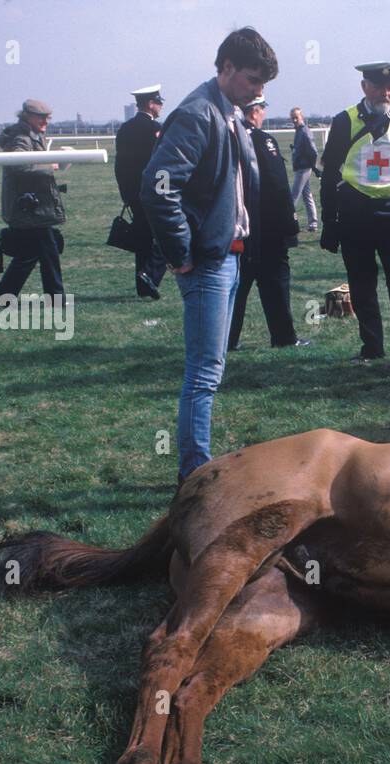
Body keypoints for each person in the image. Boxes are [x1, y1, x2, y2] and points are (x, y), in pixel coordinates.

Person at [142, 27, 277, 483]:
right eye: (252, 80)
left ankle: (196, 467)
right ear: (225, 68)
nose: (258, 91)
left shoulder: (230, 112)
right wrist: (180, 252)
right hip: (208, 262)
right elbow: (158, 187)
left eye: (262, 84)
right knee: (203, 375)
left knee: (210, 370)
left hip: (228, 256)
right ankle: (194, 475)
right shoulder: (199, 114)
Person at [319, 60, 390, 367]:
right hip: (355, 215)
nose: (386, 91)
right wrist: (330, 222)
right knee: (362, 285)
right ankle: (372, 346)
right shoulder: (345, 121)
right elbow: (328, 177)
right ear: (365, 87)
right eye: (379, 86)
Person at [228, 97, 307, 351]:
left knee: (236, 287)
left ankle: (227, 339)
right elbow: (277, 185)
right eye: (262, 110)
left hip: (237, 226)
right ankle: (284, 336)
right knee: (275, 284)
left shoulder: (228, 139)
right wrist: (290, 223)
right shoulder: (264, 141)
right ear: (255, 112)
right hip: (268, 228)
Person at [0, 99, 66, 299]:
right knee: (48, 250)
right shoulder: (22, 137)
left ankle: (3, 296)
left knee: (29, 254)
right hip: (30, 207)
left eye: (47, 118)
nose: (45, 121)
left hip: (31, 205)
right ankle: (56, 297)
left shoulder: (30, 134)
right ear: (27, 116)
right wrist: (50, 165)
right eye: (41, 117)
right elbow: (19, 165)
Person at [115, 83, 166, 300]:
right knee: (167, 235)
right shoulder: (156, 129)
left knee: (143, 239)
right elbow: (162, 163)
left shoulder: (125, 129)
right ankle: (150, 275)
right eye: (159, 102)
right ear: (150, 104)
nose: (161, 106)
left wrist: (126, 194)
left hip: (133, 193)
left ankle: (144, 285)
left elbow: (120, 166)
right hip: (154, 192)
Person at [288, 107, 319, 232]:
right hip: (302, 167)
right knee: (307, 195)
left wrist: (312, 165)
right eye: (293, 118)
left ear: (302, 117)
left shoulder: (304, 131)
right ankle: (313, 223)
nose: (295, 120)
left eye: (297, 117)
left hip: (303, 168)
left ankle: (287, 222)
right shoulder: (299, 131)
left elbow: (314, 152)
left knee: (293, 196)